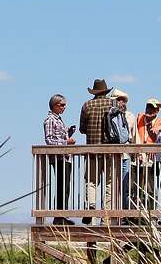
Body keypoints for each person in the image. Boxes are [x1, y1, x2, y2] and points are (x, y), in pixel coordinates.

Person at [78, 79, 116, 223]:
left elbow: (82, 129)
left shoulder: (87, 105)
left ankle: (91, 207)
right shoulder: (113, 104)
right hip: (109, 150)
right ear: (106, 91)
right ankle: (106, 216)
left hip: (92, 150)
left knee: (91, 181)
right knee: (109, 183)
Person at [43, 94, 77, 225]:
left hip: (65, 157)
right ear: (55, 105)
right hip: (58, 157)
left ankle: (62, 215)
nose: (64, 107)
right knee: (62, 186)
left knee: (65, 187)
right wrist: (66, 142)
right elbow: (49, 140)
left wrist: (68, 132)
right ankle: (59, 216)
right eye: (62, 105)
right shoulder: (50, 120)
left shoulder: (58, 119)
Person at [130, 98, 161, 209]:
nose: (149, 110)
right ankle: (134, 214)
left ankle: (151, 214)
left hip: (151, 160)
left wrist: (155, 149)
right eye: (148, 107)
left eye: (152, 108)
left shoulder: (160, 122)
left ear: (157, 111)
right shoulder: (139, 117)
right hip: (137, 158)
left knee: (150, 188)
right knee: (134, 187)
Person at [110, 90, 135, 209]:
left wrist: (137, 153)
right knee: (112, 185)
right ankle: (112, 214)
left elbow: (134, 137)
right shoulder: (108, 114)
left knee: (125, 185)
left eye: (124, 100)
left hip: (126, 155)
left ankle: (124, 213)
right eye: (119, 99)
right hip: (112, 154)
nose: (122, 103)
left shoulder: (130, 116)